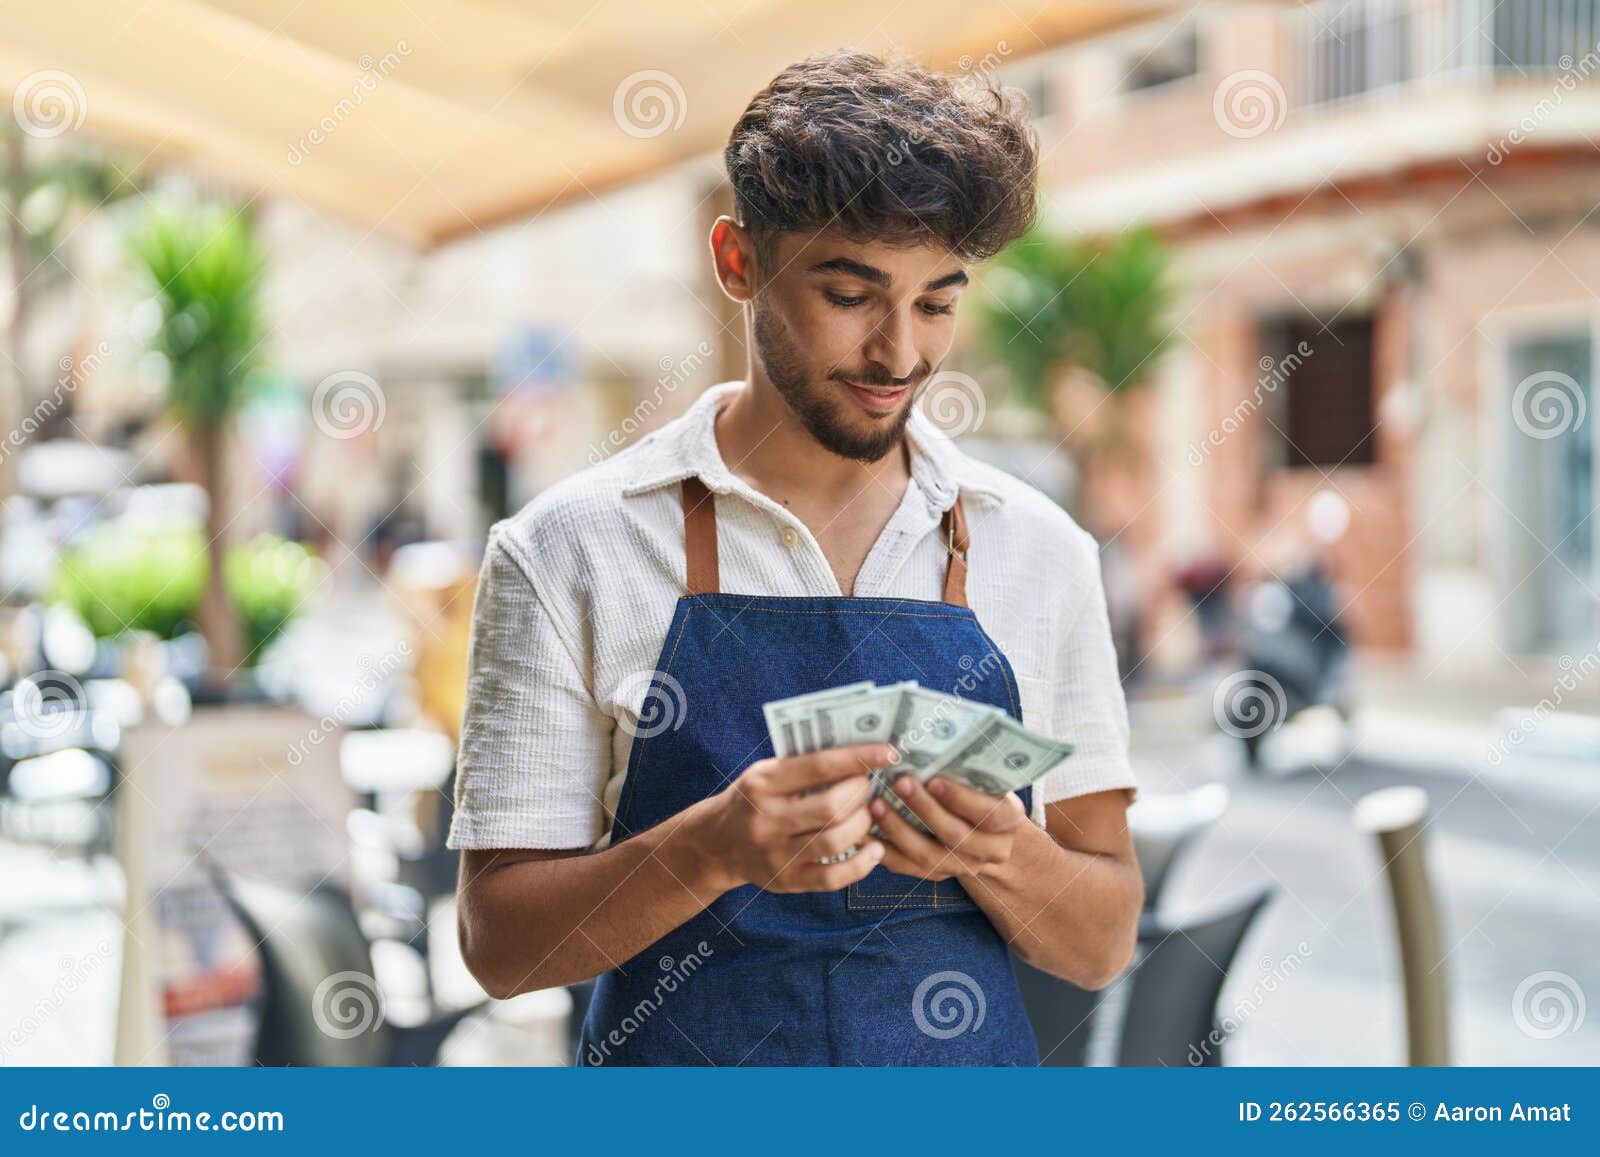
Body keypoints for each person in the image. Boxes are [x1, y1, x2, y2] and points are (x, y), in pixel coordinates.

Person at [448, 49, 1142, 1067]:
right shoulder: (565, 552)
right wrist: (713, 846)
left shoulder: (1038, 551)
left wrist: (1002, 851)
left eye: (936, 303)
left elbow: (1102, 938)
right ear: (737, 262)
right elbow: (499, 946)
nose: (899, 354)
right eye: (851, 294)